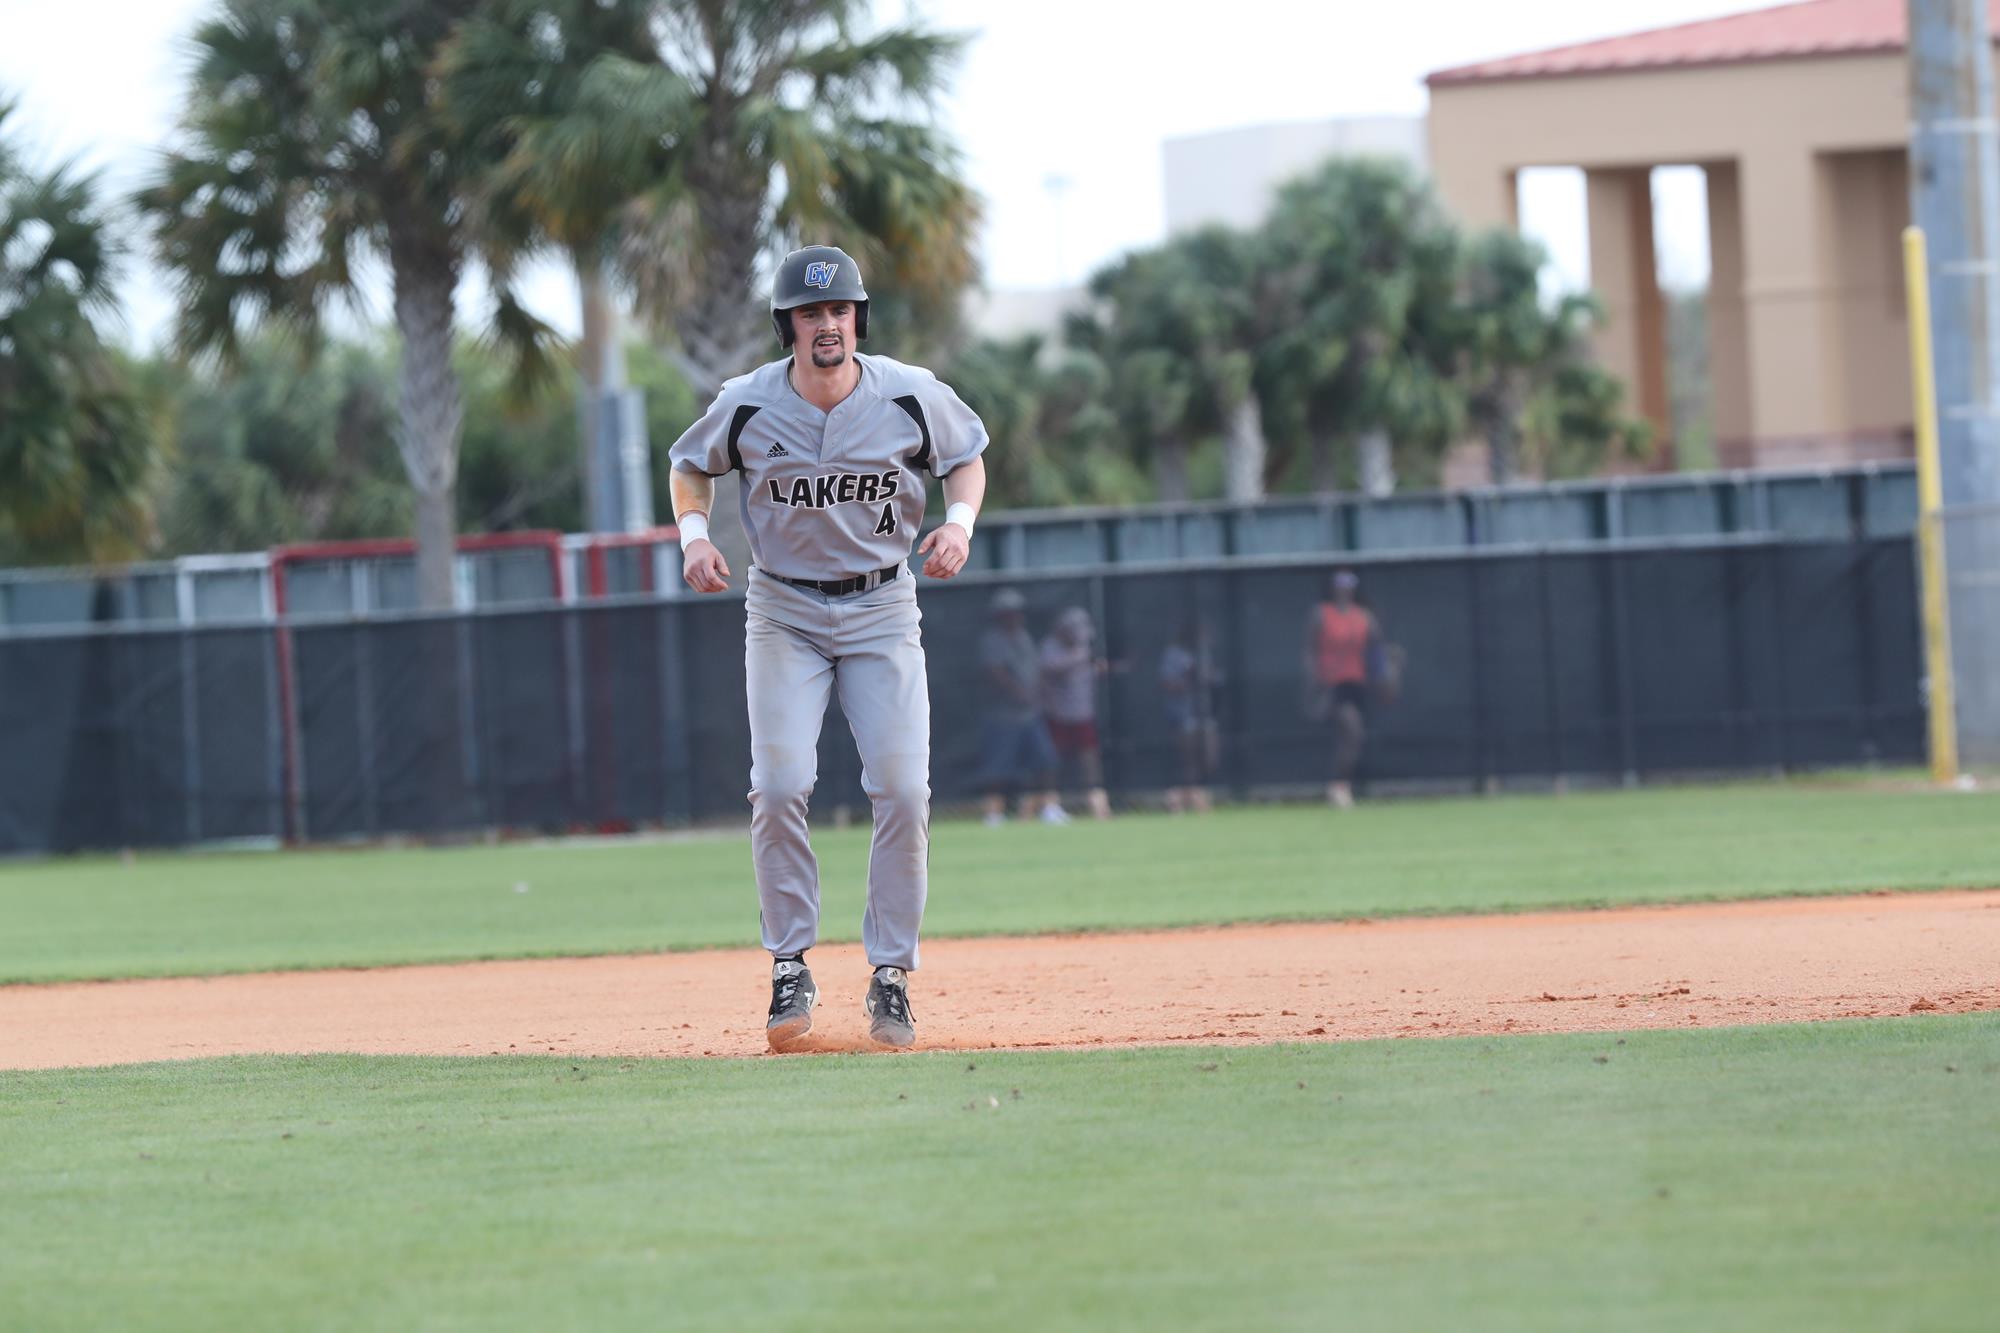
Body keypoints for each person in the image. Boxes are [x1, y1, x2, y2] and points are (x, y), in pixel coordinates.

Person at [668, 244, 987, 1052]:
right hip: (784, 610)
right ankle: (789, 964)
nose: (827, 325)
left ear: (858, 318)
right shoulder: (748, 401)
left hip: (882, 604)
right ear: (788, 326)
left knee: (903, 790)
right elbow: (690, 464)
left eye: (839, 309)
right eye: (810, 313)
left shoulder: (908, 394)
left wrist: (958, 524)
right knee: (778, 785)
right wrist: (694, 535)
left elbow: (966, 458)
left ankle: (892, 973)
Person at [977, 590, 1064, 825]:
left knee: (1046, 760)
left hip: (1030, 714)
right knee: (998, 766)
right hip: (1003, 716)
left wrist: (1037, 694)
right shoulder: (993, 640)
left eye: (1017, 612)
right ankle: (993, 813)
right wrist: (1019, 693)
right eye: (1009, 612)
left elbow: (1034, 670)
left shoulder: (1024, 636)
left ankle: (1049, 808)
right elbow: (995, 672)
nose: (1015, 616)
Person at [1302, 569, 1386, 808]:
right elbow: (1309, 652)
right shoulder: (1321, 614)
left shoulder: (1365, 617)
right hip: (1331, 686)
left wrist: (1383, 677)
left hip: (1357, 684)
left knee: (1352, 736)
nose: (1344, 589)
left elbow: (1377, 652)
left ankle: (1339, 785)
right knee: (1351, 729)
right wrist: (1312, 684)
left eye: (1348, 585)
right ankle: (1338, 786)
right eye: (1340, 585)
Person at [1039, 606, 1112, 820]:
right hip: (1057, 714)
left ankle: (1099, 807)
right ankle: (1049, 806)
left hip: (1082, 715)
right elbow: (1049, 669)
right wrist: (1078, 659)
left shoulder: (1083, 647)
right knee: (1052, 761)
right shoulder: (1051, 647)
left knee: (1089, 760)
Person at [1159, 618, 1222, 813]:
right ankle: (1187, 799)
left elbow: (1211, 679)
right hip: (1183, 716)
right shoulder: (1173, 655)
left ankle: (1179, 795)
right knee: (1189, 761)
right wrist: (1190, 678)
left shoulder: (1204, 654)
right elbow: (1168, 684)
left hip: (1204, 714)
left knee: (1210, 758)